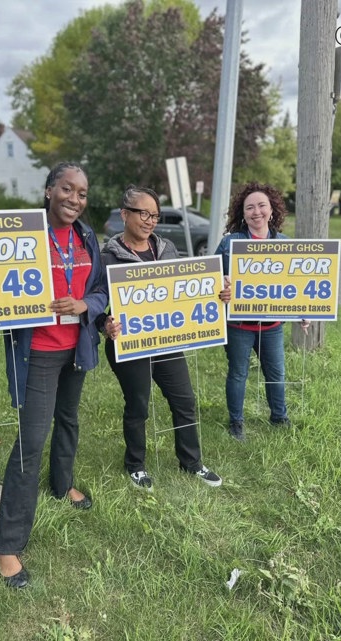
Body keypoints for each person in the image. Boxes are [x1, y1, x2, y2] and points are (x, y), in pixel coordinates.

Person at [0, 162, 109, 589]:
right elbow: (2, 296)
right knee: (30, 444)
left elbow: (103, 291)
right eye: (67, 189)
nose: (75, 199)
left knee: (69, 420)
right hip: (39, 356)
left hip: (77, 351)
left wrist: (87, 306)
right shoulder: (25, 239)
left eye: (82, 193)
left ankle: (62, 485)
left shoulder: (88, 238)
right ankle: (8, 546)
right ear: (49, 191)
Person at [99, 186, 225, 491]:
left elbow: (186, 287)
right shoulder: (106, 257)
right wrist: (104, 323)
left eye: (154, 214)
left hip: (166, 341)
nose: (150, 220)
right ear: (125, 214)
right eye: (143, 213)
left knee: (185, 400)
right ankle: (136, 465)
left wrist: (219, 291)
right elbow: (93, 304)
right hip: (128, 344)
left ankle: (191, 462)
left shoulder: (167, 249)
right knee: (138, 405)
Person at [213, 181, 311, 442]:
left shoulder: (285, 243)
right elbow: (210, 278)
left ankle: (279, 417)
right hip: (239, 325)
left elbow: (296, 286)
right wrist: (222, 287)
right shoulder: (230, 243)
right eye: (249, 208)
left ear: (272, 209)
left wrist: (305, 310)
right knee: (238, 373)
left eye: (261, 206)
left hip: (272, 326)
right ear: (242, 213)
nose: (256, 212)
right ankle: (236, 423)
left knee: (276, 373)